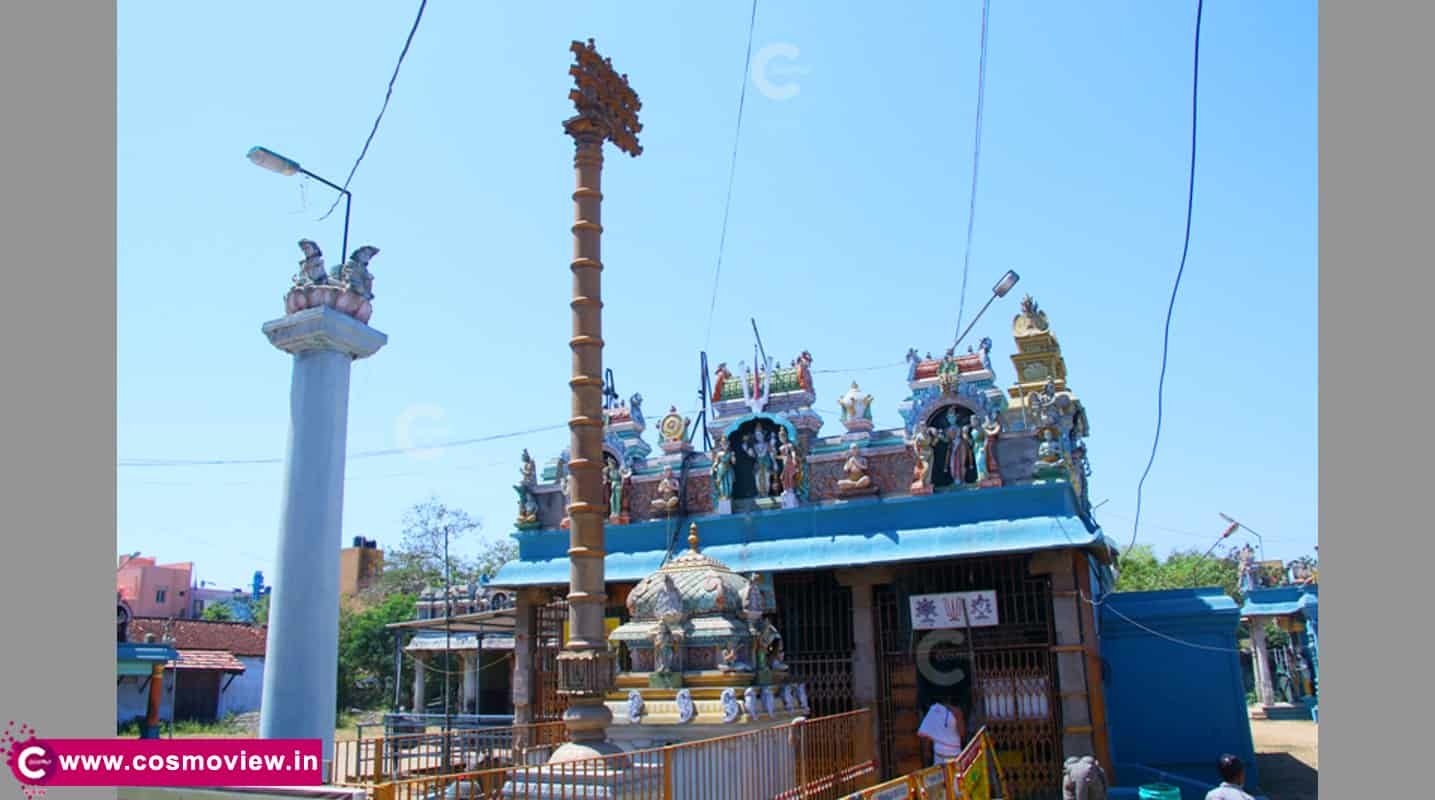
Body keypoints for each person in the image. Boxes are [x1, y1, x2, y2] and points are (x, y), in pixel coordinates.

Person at [916, 696, 967, 766]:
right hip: (954, 753)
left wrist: (927, 752)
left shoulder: (934, 710)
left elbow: (927, 735)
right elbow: (962, 734)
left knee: (940, 775)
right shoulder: (957, 712)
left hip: (939, 754)